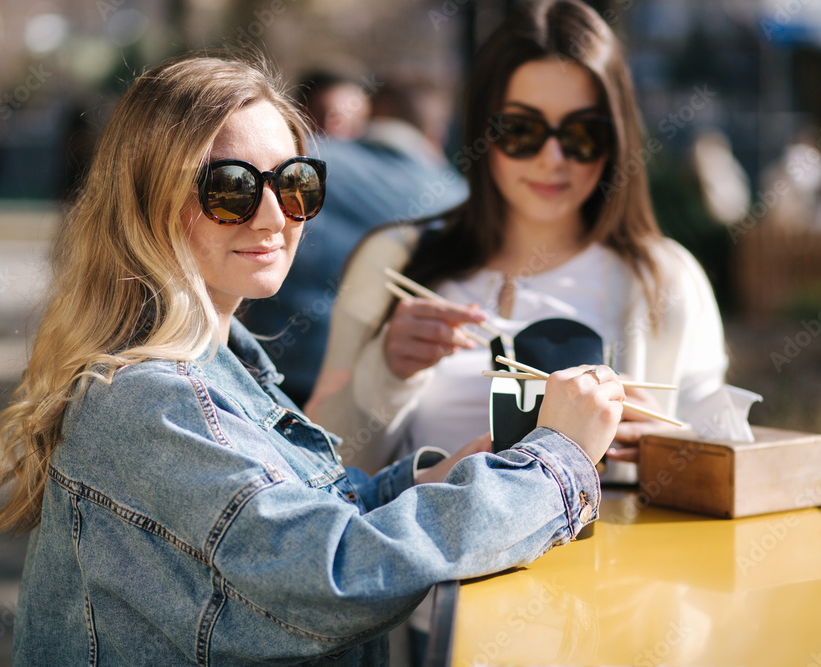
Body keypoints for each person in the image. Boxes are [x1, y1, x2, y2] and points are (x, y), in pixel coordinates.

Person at [0, 52, 626, 666]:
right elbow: (333, 574)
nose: (272, 215)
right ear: (148, 201)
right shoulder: (151, 396)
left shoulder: (215, 362)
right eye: (230, 187)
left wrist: (427, 480)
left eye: (295, 183)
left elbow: (295, 519)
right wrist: (555, 460)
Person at [307, 0, 727, 495]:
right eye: (522, 130)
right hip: (429, 566)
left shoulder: (667, 278)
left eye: (582, 134)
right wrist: (386, 370)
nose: (553, 159)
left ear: (616, 138)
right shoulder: (392, 258)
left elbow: (720, 454)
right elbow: (320, 467)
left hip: (607, 567)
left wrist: (668, 450)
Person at [241, 74, 467, 406]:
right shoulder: (457, 199)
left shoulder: (303, 161)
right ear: (437, 135)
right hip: (377, 396)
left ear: (374, 113)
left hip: (270, 374)